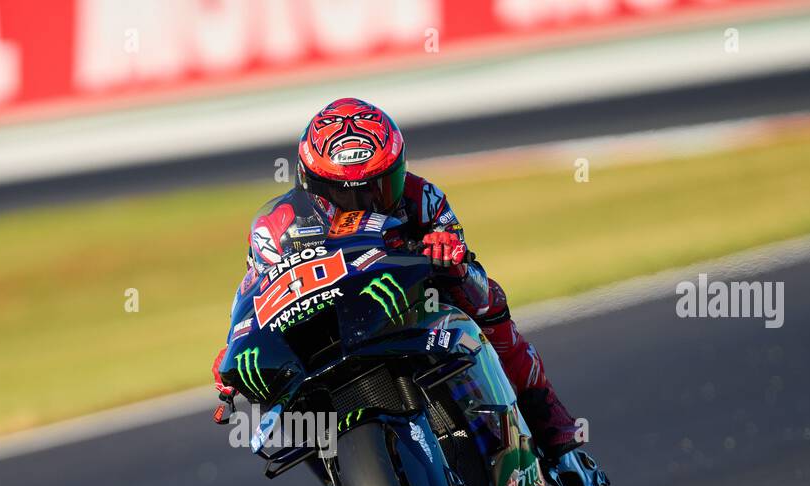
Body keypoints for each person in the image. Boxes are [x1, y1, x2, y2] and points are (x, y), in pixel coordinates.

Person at [214, 97, 581, 458]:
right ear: (310, 182)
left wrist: (448, 255)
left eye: (379, 186)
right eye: (343, 194)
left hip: (410, 306)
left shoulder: (422, 198)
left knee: (487, 298)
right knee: (269, 395)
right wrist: (235, 344)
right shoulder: (275, 226)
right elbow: (253, 291)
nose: (365, 202)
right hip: (329, 330)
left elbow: (462, 257)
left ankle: (541, 406)